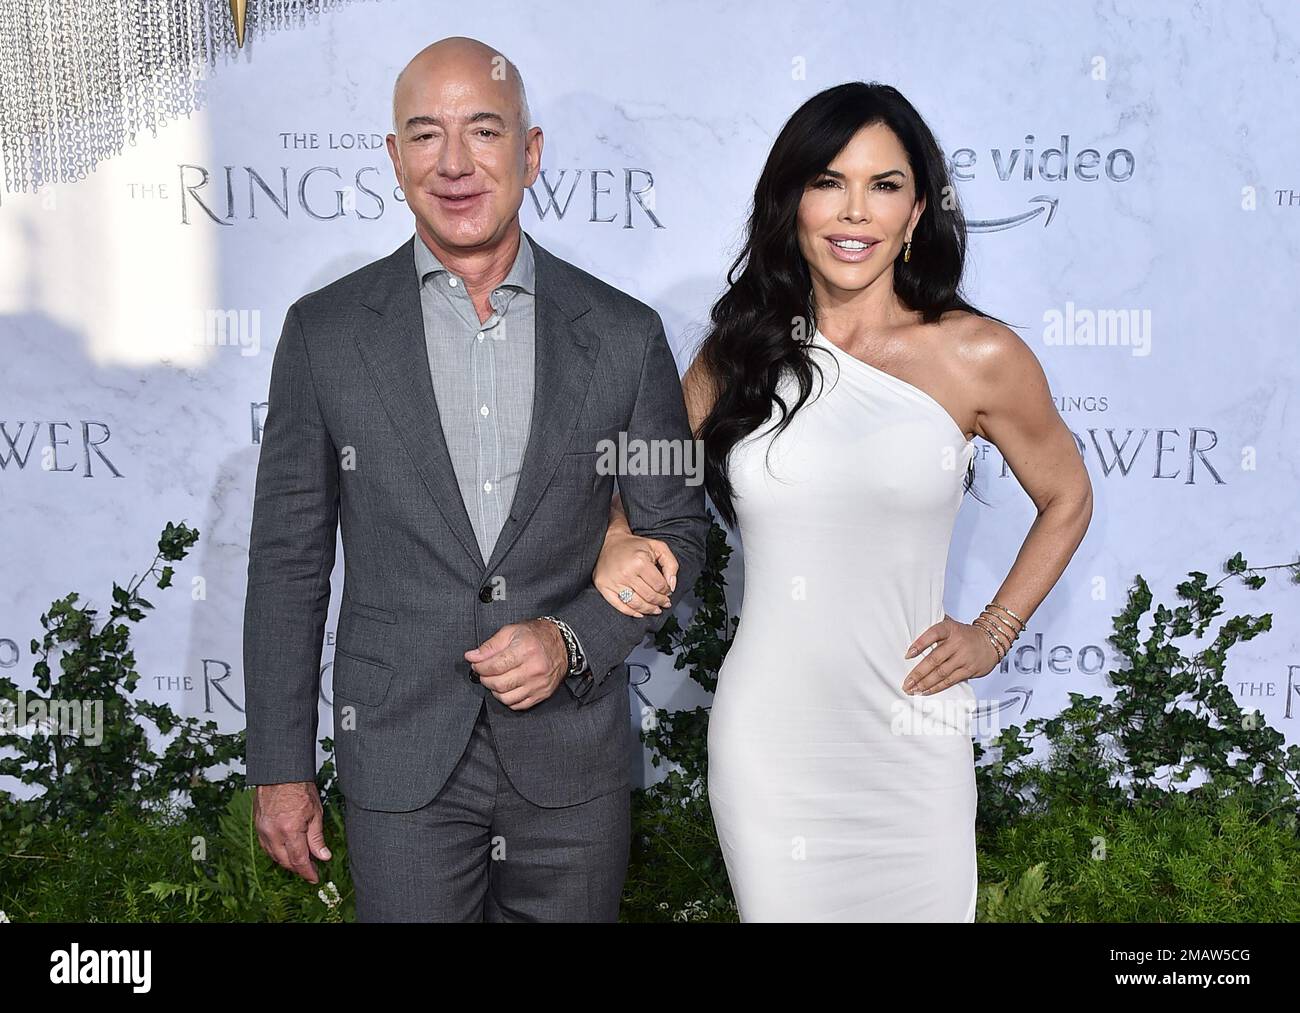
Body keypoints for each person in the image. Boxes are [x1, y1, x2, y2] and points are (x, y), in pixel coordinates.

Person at [593, 82, 1093, 921]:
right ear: (791, 202)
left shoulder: (978, 353)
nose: (853, 211)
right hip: (774, 742)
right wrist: (614, 532)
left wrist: (996, 629)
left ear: (917, 209)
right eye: (828, 181)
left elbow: (1067, 494)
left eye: (884, 185)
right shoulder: (741, 353)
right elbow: (637, 468)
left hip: (913, 735)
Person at [242, 36, 708, 922]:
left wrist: (570, 638)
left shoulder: (622, 333)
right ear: (393, 158)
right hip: (398, 757)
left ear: (530, 154)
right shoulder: (325, 334)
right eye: (424, 135)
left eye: (484, 131)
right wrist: (280, 765)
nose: (453, 163)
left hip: (571, 762)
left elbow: (678, 533)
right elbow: (288, 566)